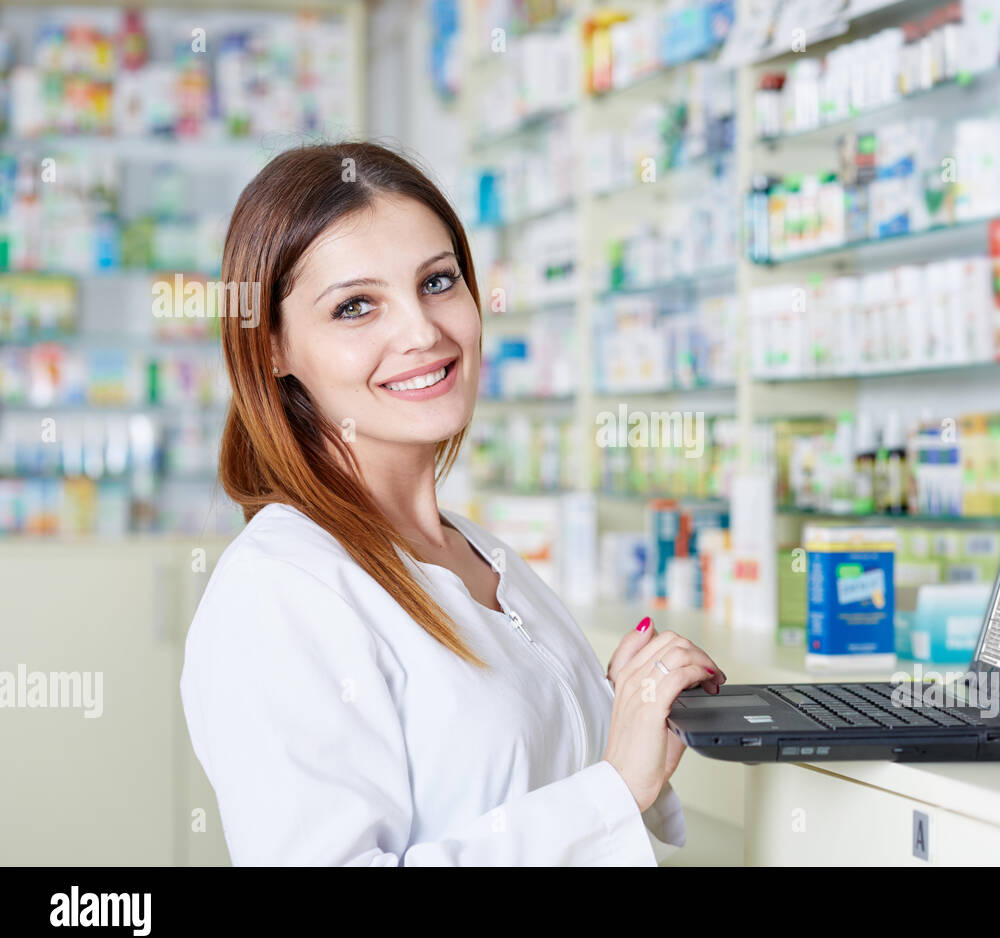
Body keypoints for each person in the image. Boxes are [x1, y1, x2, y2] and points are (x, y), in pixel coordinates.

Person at [179, 141, 727, 866]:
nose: (422, 332)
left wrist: (623, 704)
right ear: (272, 348)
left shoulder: (474, 552)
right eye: (355, 306)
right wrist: (615, 789)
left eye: (438, 283)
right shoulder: (278, 588)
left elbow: (511, 785)